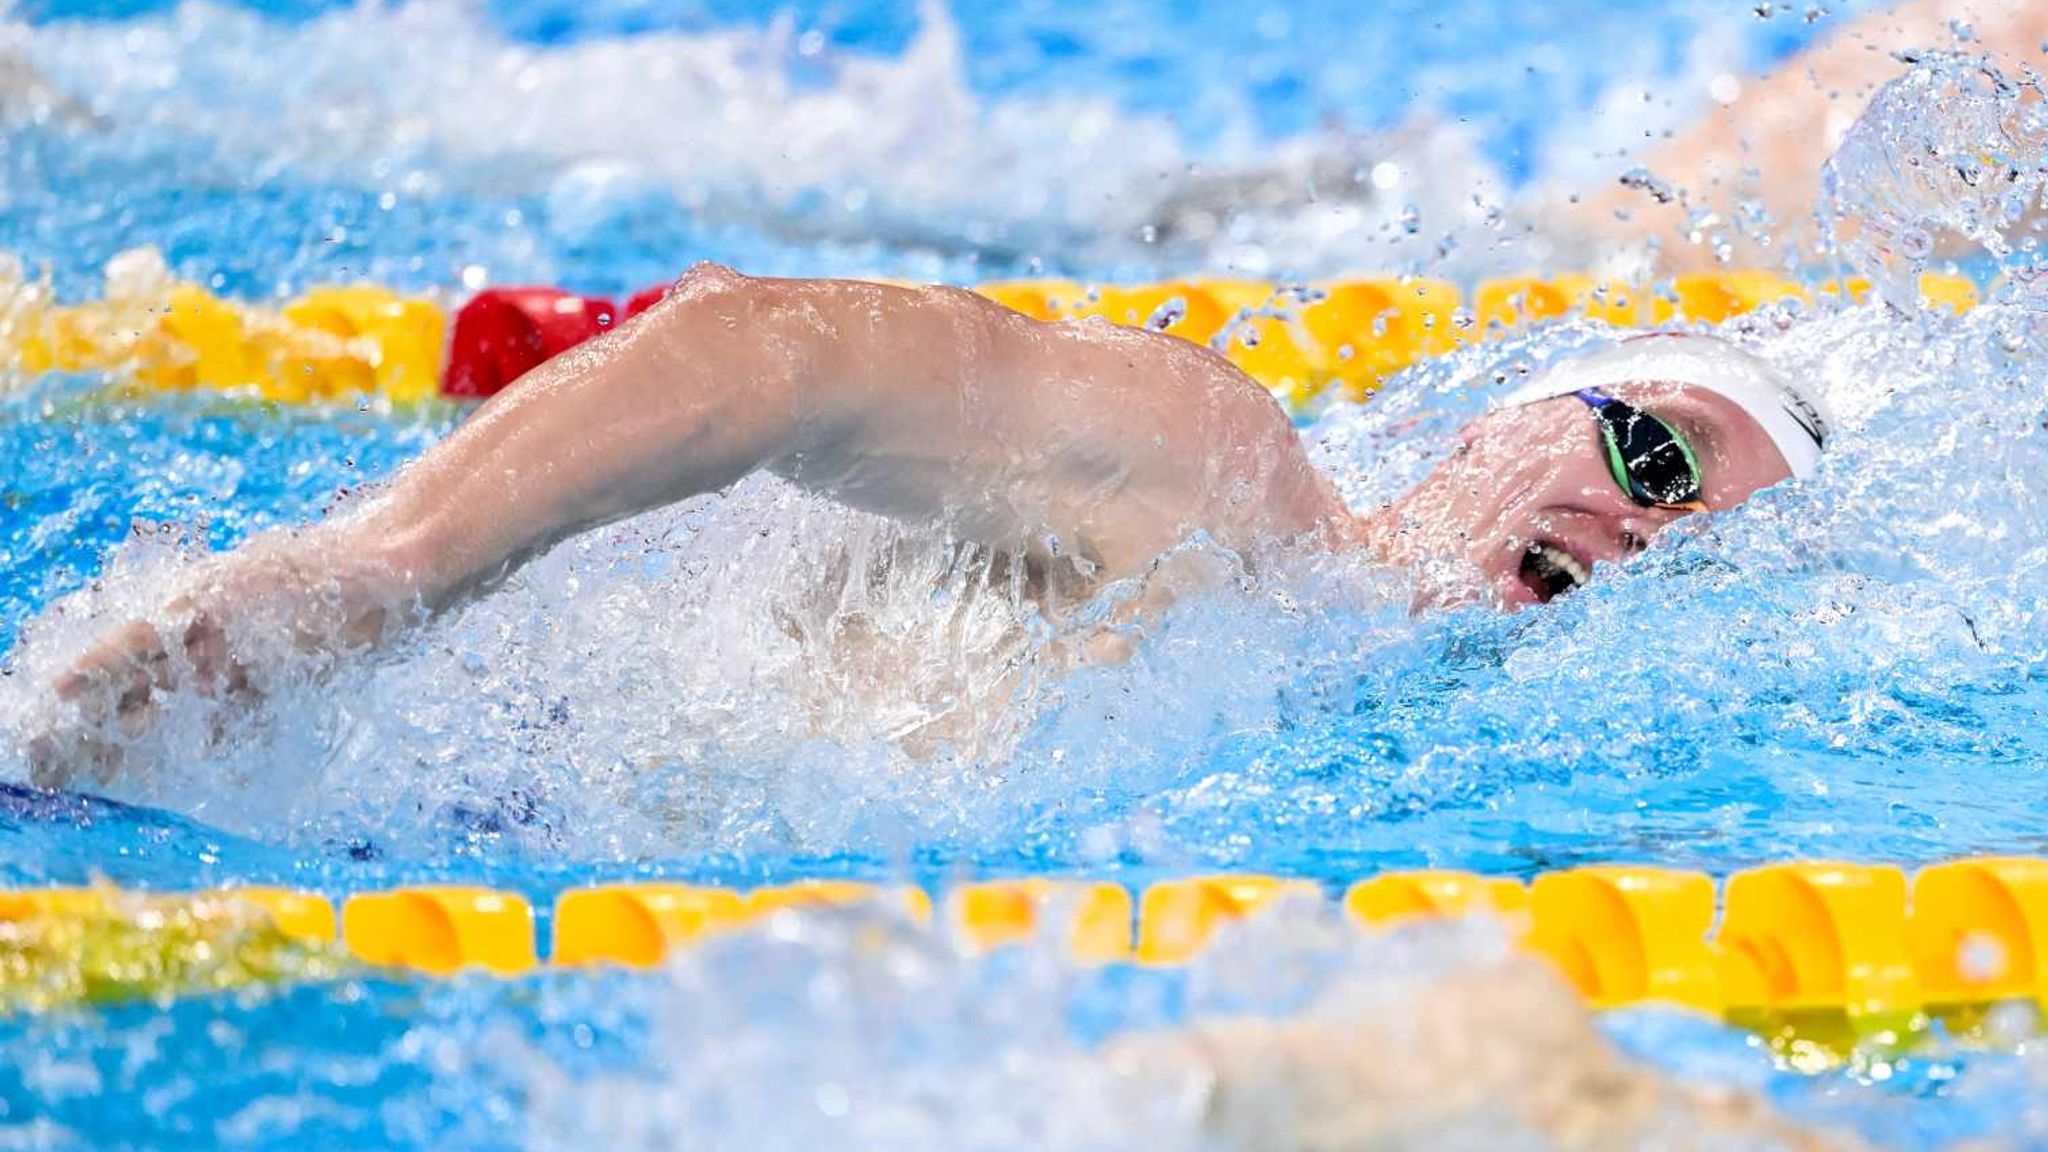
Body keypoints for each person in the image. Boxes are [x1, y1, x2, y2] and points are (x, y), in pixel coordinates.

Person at [24, 263, 1830, 784]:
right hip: (294, 758)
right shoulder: (1223, 488)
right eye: (1659, 460)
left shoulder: (1361, 750)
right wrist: (388, 570)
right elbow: (768, 348)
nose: (1642, 533)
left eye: (1704, 550)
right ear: (1512, 419)